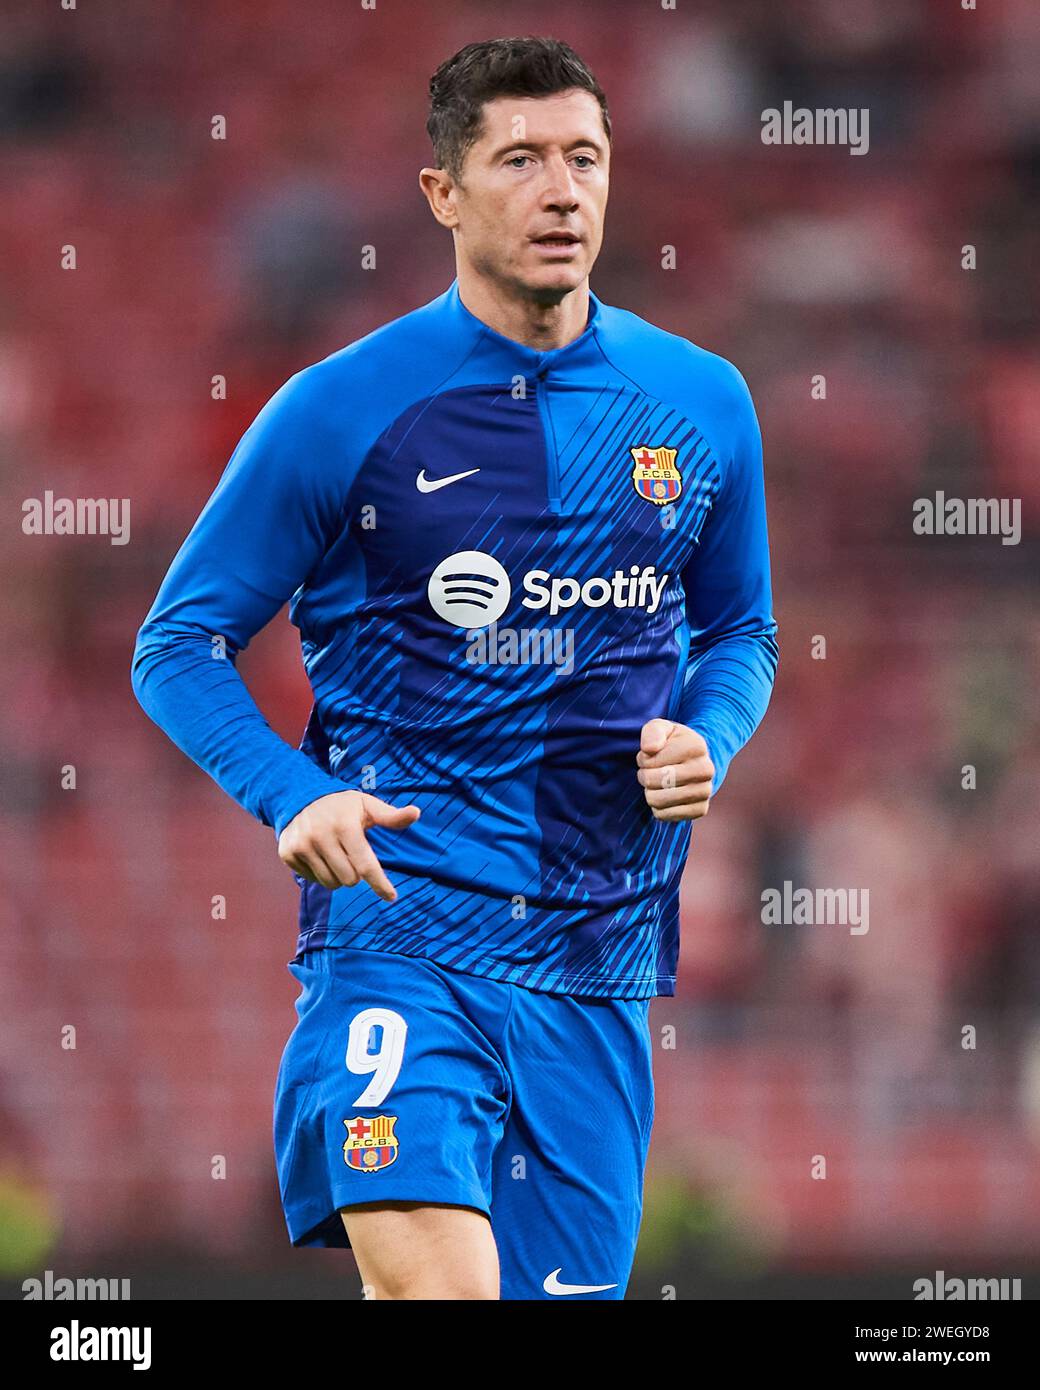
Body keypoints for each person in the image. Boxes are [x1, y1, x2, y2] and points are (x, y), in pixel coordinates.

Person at [131, 35, 778, 1300]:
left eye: (584, 158)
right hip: (404, 929)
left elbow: (741, 633)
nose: (560, 190)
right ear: (441, 193)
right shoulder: (340, 409)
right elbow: (181, 643)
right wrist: (292, 792)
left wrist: (709, 732)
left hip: (597, 957)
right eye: (520, 159)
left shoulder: (699, 404)